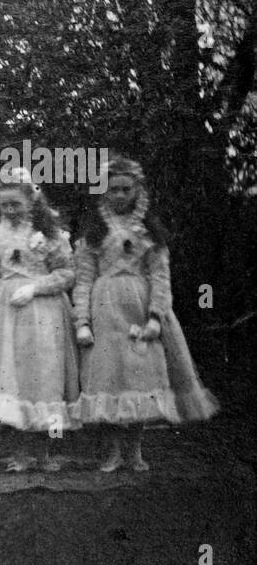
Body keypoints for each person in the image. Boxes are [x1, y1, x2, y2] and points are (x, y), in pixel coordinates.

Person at [72, 156, 218, 471]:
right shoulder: (93, 233)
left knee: (139, 377)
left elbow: (160, 277)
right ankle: (111, 451)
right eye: (114, 190)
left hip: (139, 308)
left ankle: (135, 449)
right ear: (104, 193)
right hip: (104, 312)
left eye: (126, 189)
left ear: (137, 191)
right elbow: (83, 279)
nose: (120, 196)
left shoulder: (149, 231)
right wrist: (82, 321)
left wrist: (156, 316)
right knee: (107, 380)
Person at [0, 168, 79, 471]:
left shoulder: (50, 233)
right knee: (12, 377)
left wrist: (35, 287)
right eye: (4, 205)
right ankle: (18, 454)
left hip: (43, 312)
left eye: (15, 204)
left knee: (43, 377)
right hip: (7, 312)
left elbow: (67, 274)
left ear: (31, 200)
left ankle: (43, 454)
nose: (9, 210)